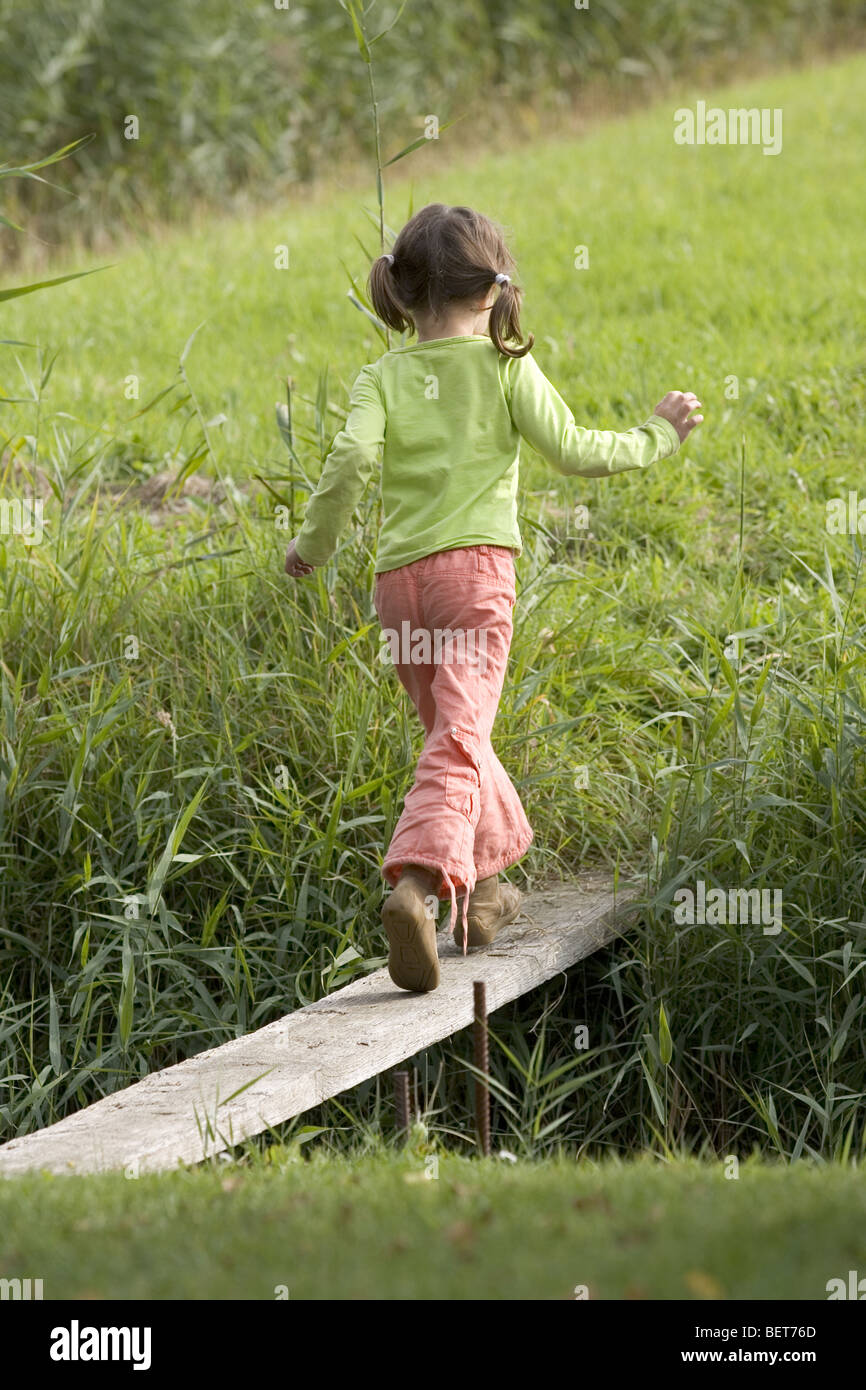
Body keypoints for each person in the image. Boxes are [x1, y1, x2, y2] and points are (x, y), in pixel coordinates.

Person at [284, 203, 702, 993]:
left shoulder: (383, 376)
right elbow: (576, 451)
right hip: (475, 580)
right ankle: (417, 886)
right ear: (491, 290)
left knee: (458, 734)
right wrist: (656, 436)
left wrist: (312, 546)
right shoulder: (507, 367)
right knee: (458, 739)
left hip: (399, 590)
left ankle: (485, 900)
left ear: (402, 295)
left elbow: (347, 462)